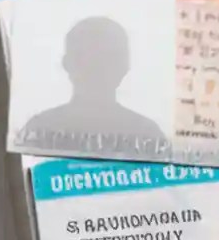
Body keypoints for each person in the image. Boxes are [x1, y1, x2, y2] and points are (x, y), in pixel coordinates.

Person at [19, 16, 167, 153]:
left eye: (109, 58)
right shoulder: (147, 134)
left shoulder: (38, 129)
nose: (99, 68)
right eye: (90, 59)